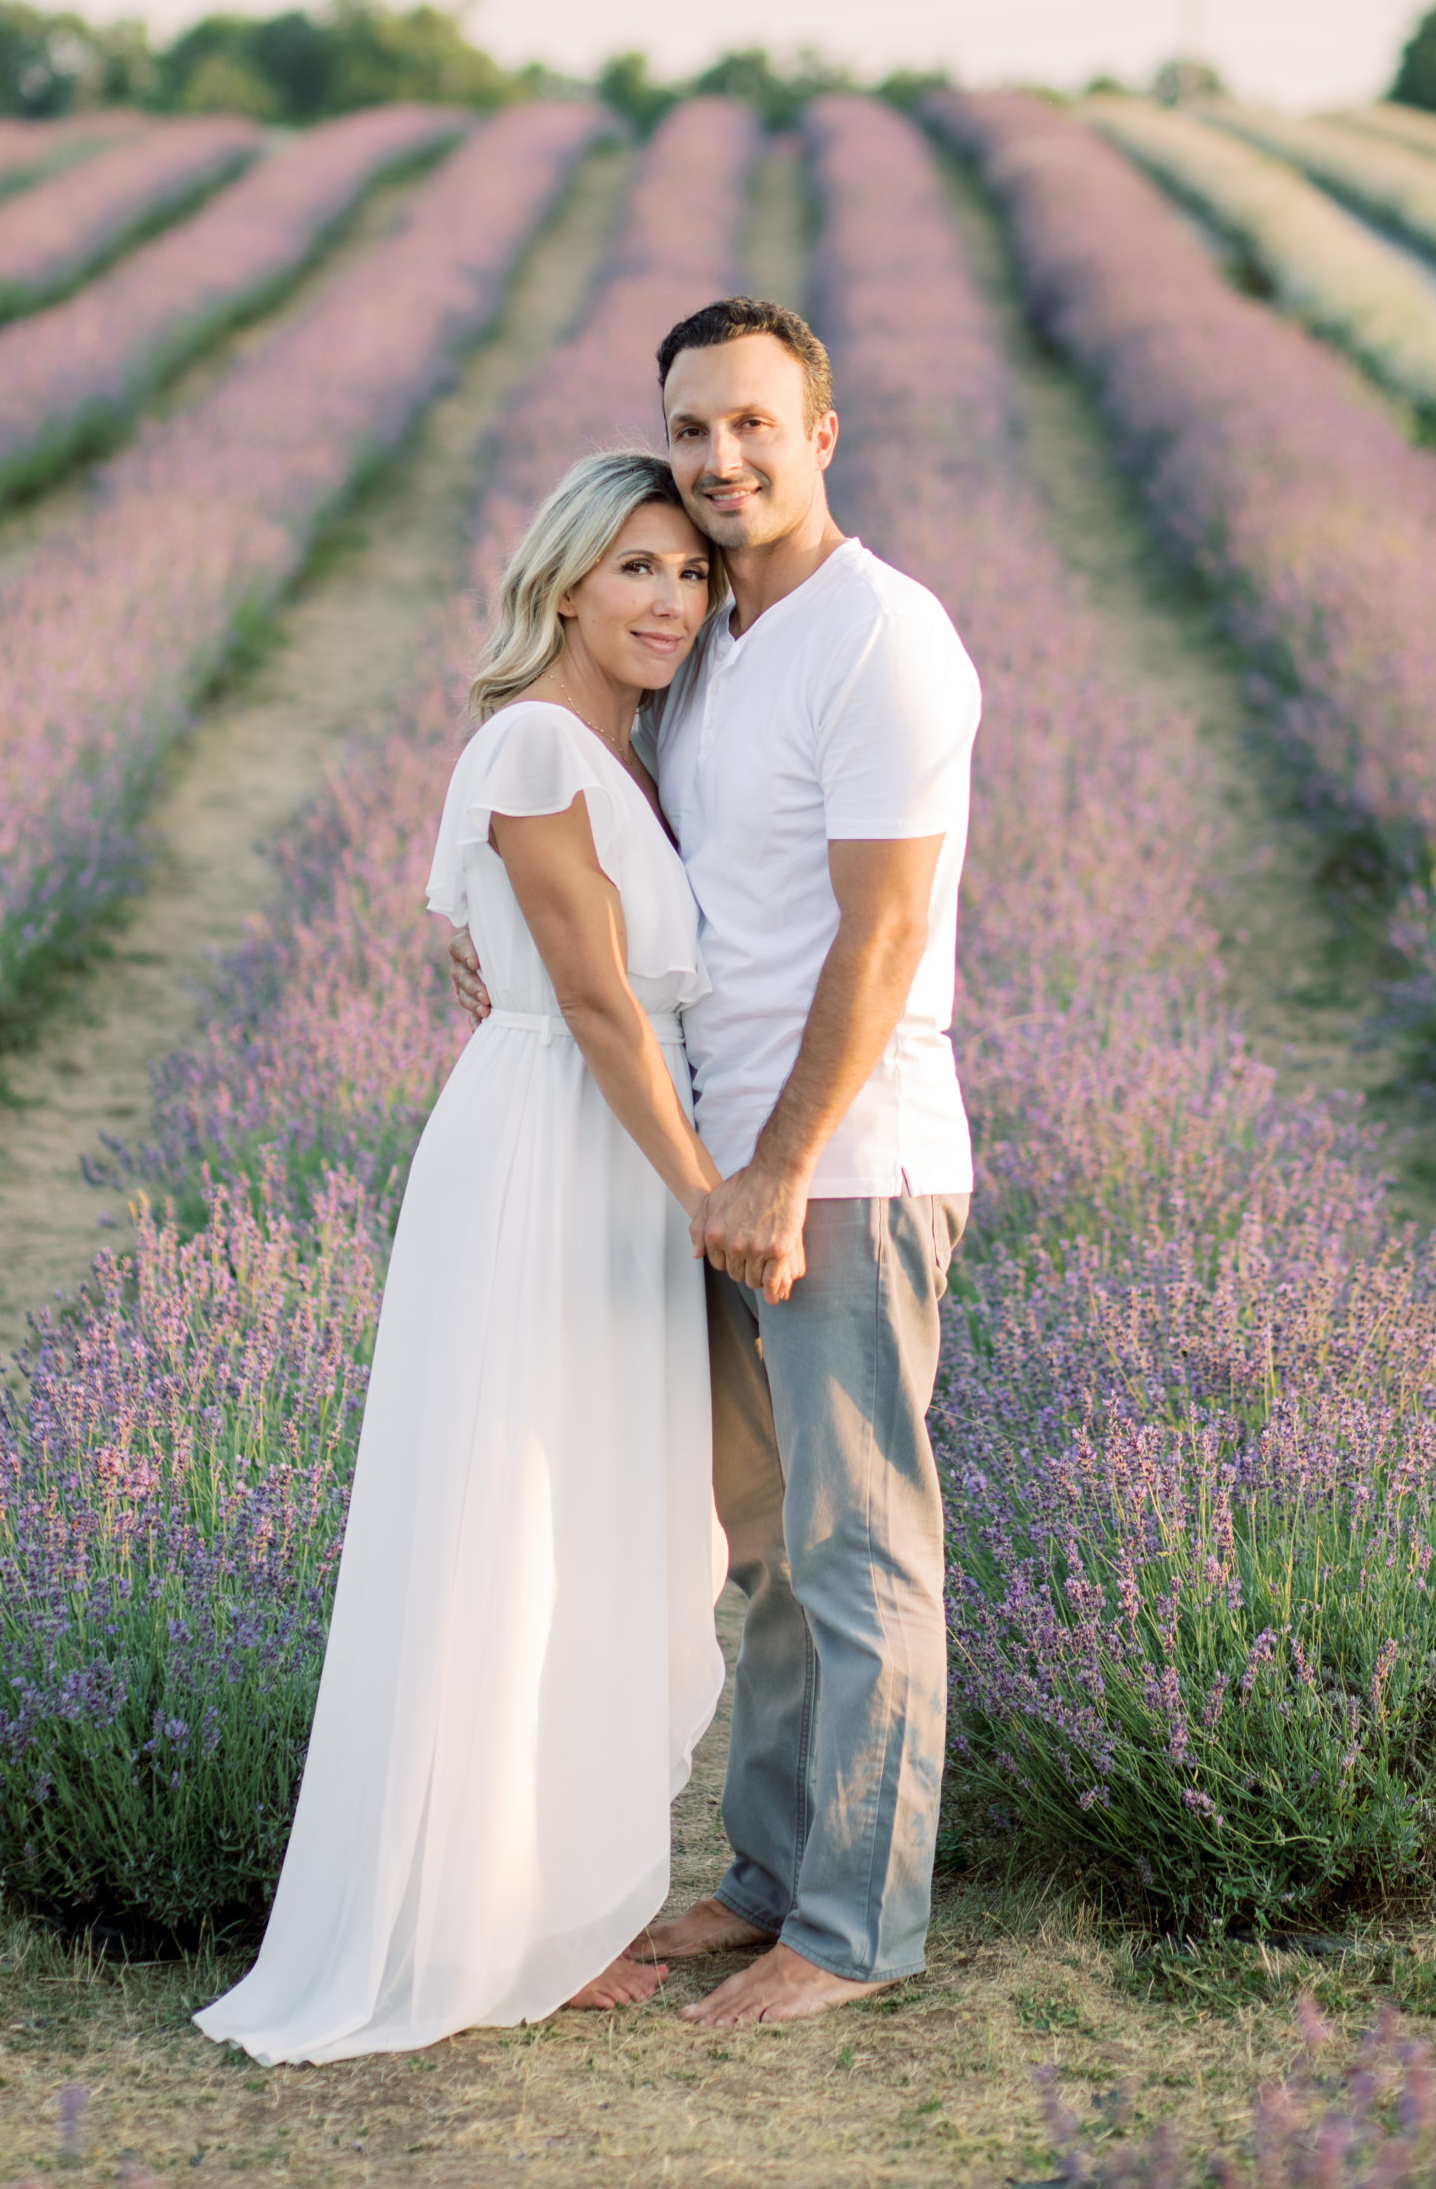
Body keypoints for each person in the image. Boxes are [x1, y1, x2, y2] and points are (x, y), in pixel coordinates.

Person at [459, 298, 983, 2029]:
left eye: (753, 423)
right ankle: (765, 1881)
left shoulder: (880, 640)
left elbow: (884, 934)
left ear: (821, 434)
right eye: (693, 430)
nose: (721, 458)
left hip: (839, 1164)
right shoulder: (719, 642)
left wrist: (775, 1166)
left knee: (857, 1553)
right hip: (720, 1169)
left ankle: (851, 1930)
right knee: (761, 1556)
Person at [196, 451, 728, 2062]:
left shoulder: (636, 755)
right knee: (525, 1509)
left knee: (622, 1510)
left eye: (693, 575)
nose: (671, 600)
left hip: (607, 1146)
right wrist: (713, 1192)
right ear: (565, 579)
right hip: (563, 1151)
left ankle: (562, 1901)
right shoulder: (531, 742)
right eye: (639, 567)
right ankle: (495, 1924)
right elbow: (590, 1000)